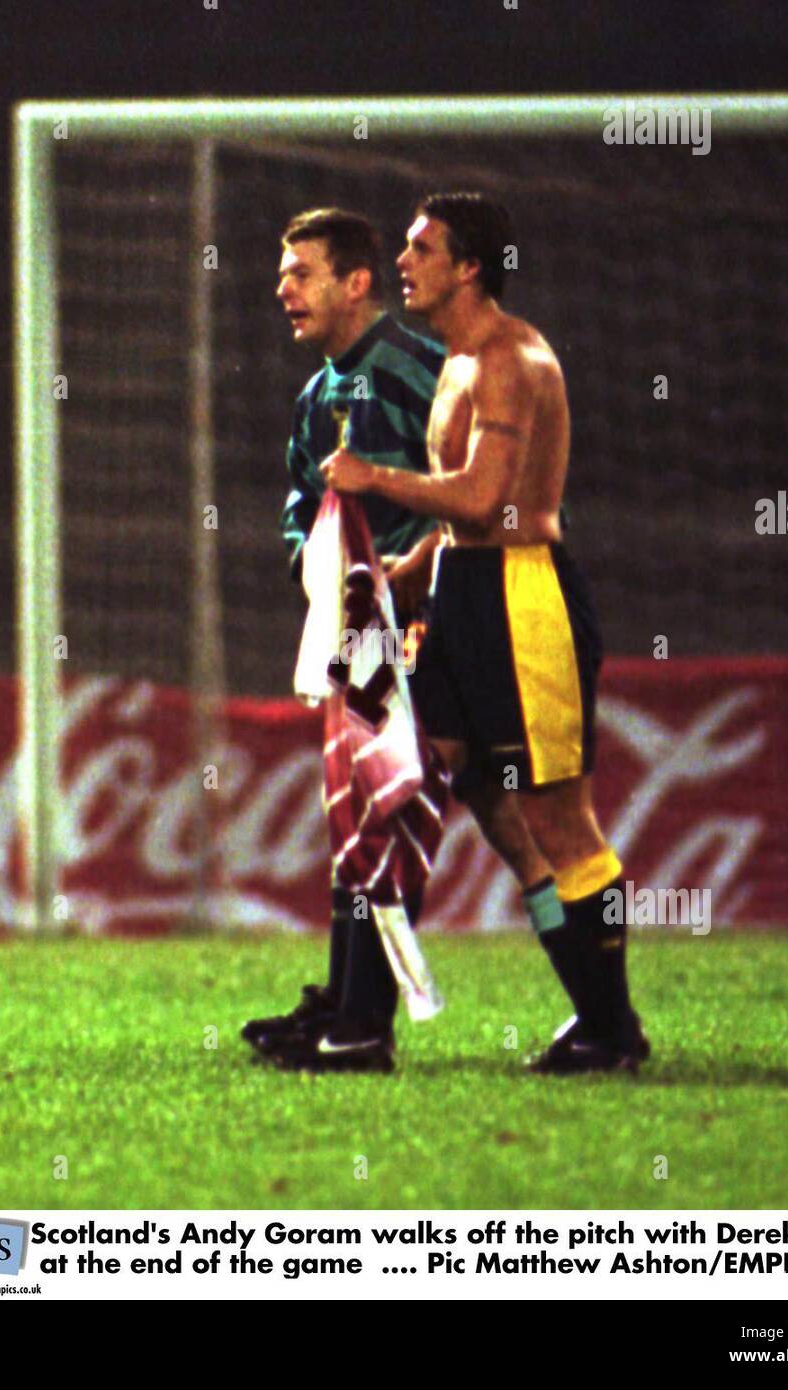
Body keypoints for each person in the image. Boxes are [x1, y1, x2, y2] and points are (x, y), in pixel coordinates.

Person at [321, 192, 650, 1074]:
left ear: (468, 267)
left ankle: (609, 1026)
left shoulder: (508, 358)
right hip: (465, 590)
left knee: (559, 821)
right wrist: (414, 565)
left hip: (521, 599)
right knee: (412, 779)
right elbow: (464, 513)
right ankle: (355, 1018)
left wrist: (372, 479)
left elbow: (486, 499)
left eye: (421, 249)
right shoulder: (461, 360)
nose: (403, 262)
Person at [240, 207, 445, 1070]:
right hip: (358, 634)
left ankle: (363, 1020)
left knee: (404, 812)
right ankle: (348, 1004)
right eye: (282, 273)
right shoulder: (318, 393)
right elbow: (299, 506)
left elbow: (483, 489)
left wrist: (405, 572)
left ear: (354, 282)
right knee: (363, 811)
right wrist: (316, 570)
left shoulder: (417, 371)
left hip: (427, 627)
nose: (282, 289)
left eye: (301, 272)